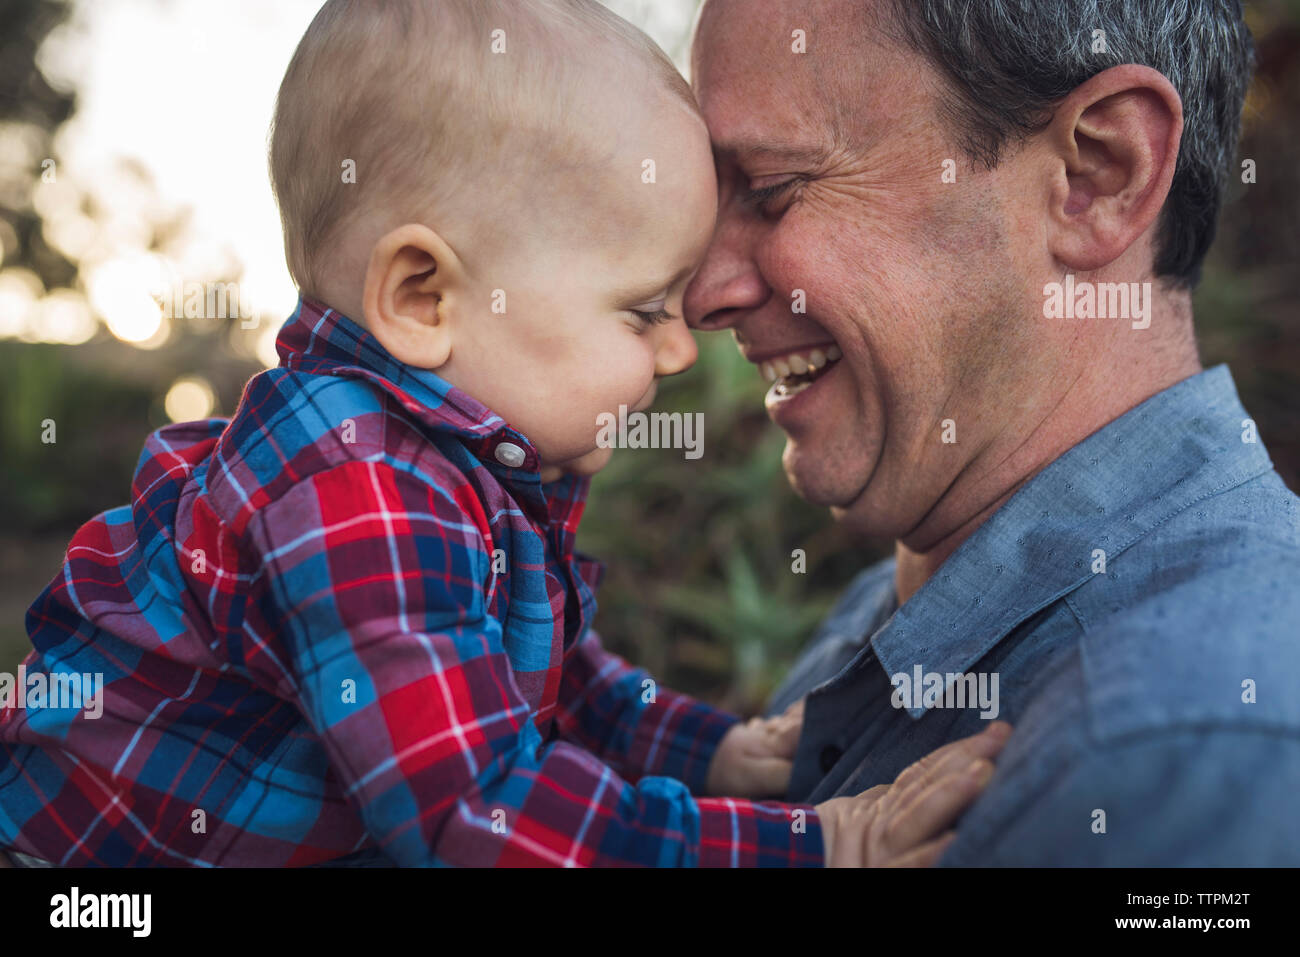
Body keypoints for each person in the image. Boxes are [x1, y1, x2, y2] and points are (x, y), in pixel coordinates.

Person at [0, 0, 1006, 869]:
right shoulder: (351, 484)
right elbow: (477, 817)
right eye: (641, 308)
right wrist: (820, 845)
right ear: (424, 297)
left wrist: (711, 752)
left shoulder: (447, 470)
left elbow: (560, 679)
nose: (680, 353)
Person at [684, 0, 1300, 865]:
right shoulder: (895, 606)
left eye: (774, 189)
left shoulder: (1190, 747)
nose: (699, 293)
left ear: (1098, 175)